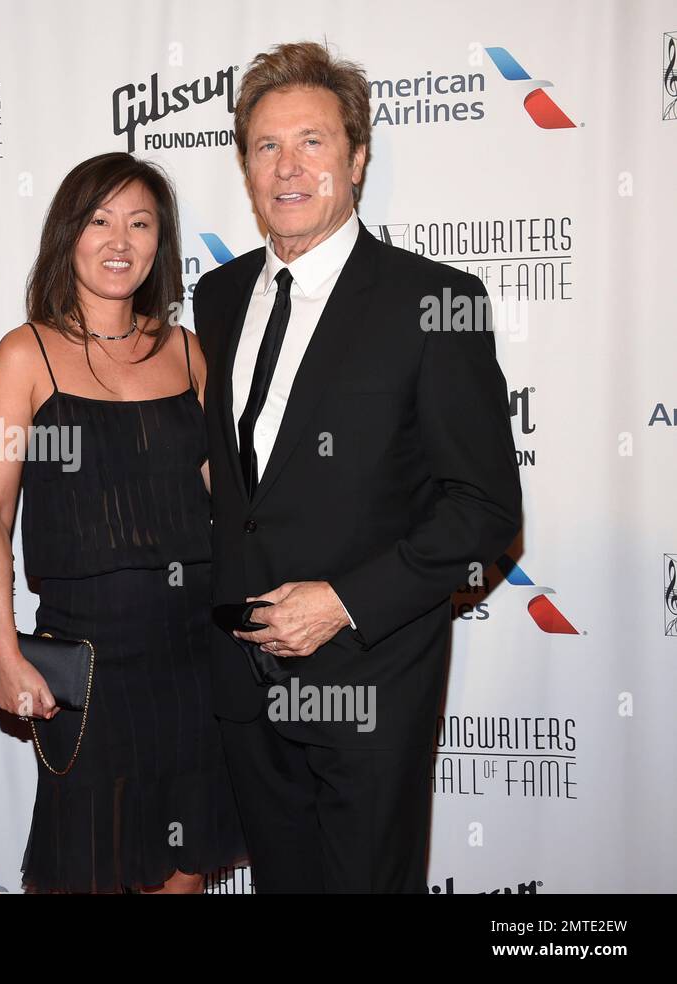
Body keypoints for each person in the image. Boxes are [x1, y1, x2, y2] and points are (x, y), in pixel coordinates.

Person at [193, 42, 522, 892]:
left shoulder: (435, 302)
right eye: (267, 146)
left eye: (313, 141)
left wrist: (341, 602)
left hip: (371, 684)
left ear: (358, 158)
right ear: (245, 166)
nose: (288, 166)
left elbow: (483, 511)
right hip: (246, 687)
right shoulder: (218, 297)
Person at [0, 152, 247, 893]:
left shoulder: (187, 353)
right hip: (88, 664)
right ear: (70, 234)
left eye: (140, 223)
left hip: (194, 656)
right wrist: (2, 651)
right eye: (100, 221)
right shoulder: (25, 355)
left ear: (161, 243)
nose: (120, 241)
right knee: (88, 868)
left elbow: (230, 504)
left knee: (184, 872)